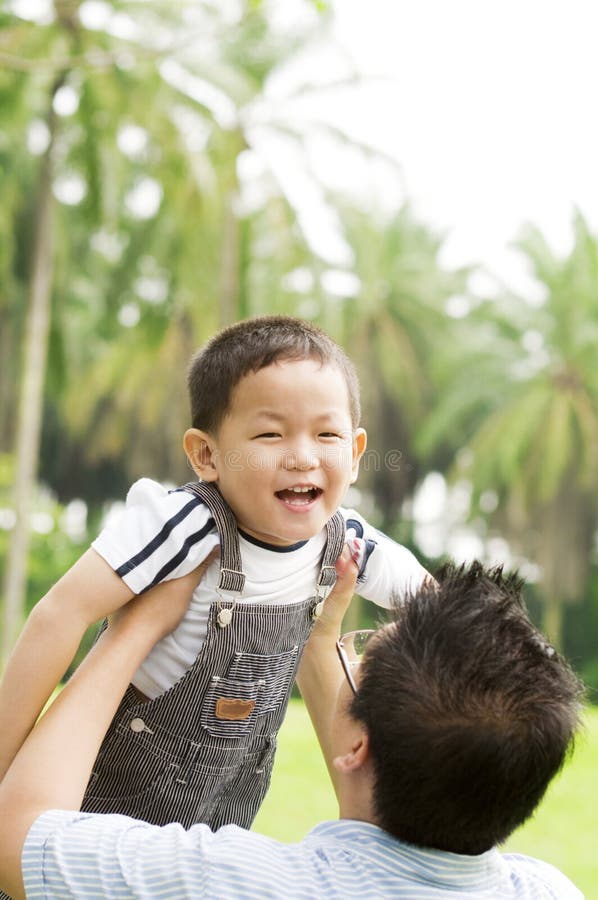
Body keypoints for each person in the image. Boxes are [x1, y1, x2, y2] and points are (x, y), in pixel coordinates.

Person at [0, 315, 429, 834]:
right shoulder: (183, 526)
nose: (302, 456)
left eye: (327, 434)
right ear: (207, 455)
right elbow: (59, 614)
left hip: (217, 822)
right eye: (271, 433)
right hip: (101, 804)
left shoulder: (345, 542)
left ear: (356, 453)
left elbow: (439, 613)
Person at [0, 556, 584, 899]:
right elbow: (381, 788)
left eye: (361, 655)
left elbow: (17, 837)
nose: (349, 664)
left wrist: (135, 629)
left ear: (360, 743)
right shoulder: (546, 890)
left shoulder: (243, 882)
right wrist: (323, 633)